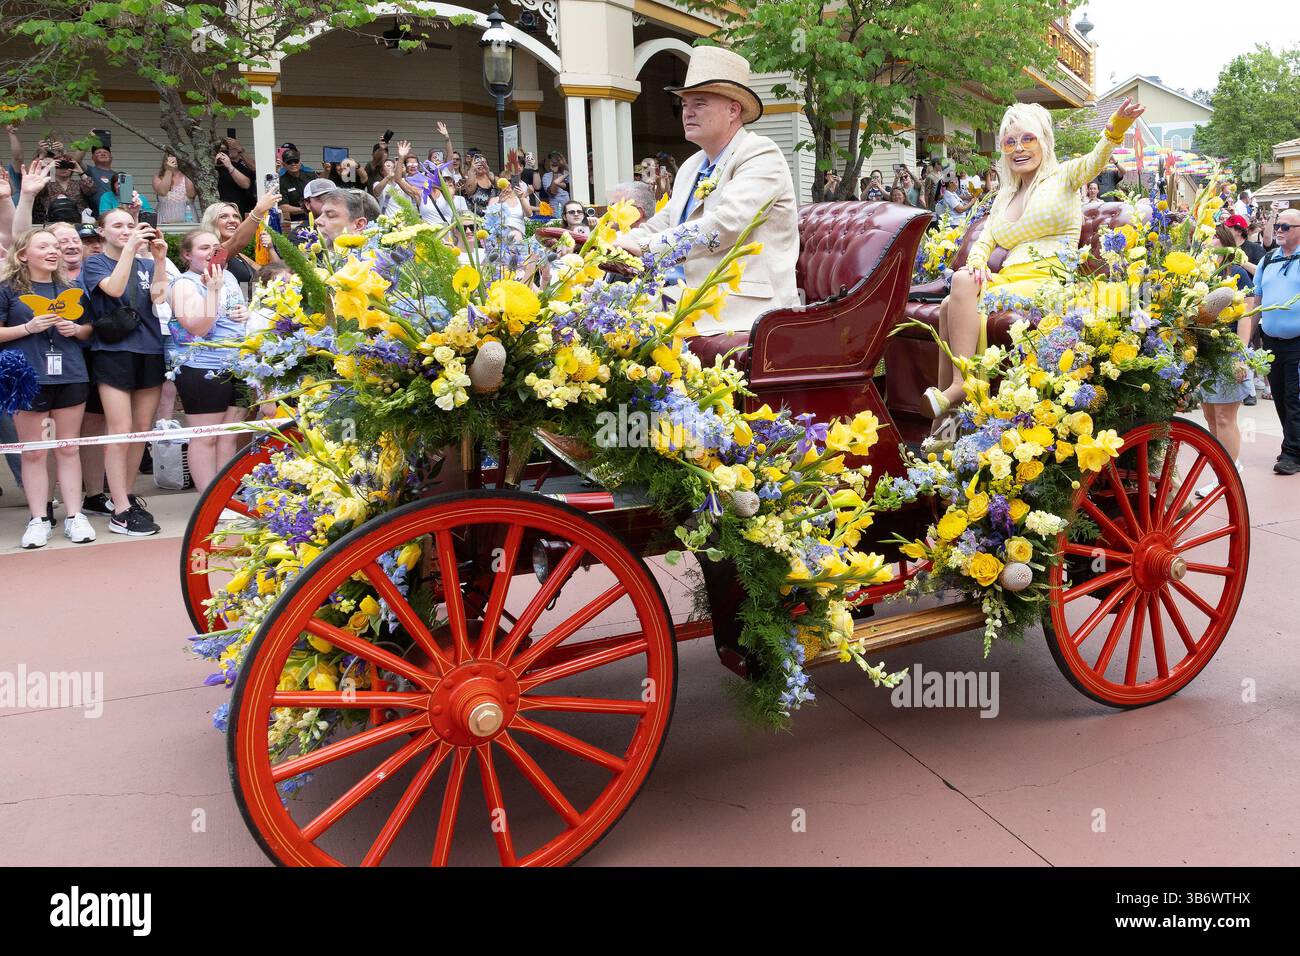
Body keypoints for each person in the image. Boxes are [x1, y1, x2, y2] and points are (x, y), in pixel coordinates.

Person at [922, 98, 1146, 418]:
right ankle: (948, 417)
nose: (1019, 148)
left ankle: (960, 387)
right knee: (951, 300)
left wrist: (1117, 127)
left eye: (1028, 139)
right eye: (1010, 142)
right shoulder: (1005, 195)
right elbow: (984, 242)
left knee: (955, 293)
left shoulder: (1064, 176)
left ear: (1044, 141)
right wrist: (975, 265)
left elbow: (1097, 160)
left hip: (1048, 281)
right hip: (1011, 278)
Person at [619, 47, 799, 335]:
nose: (687, 111)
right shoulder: (692, 165)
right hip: (683, 295)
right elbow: (663, 222)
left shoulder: (760, 154)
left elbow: (725, 225)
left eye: (699, 103)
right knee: (601, 310)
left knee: (625, 322)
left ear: (733, 109)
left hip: (739, 303)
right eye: (685, 103)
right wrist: (617, 244)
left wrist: (646, 249)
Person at [0, 227, 96, 547]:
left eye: (56, 246)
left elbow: (89, 332)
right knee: (34, 452)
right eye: (44, 246)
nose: (53, 251)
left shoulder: (71, 287)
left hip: (70, 373)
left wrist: (75, 330)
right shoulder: (8, 288)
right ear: (24, 254)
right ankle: (39, 518)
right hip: (26, 378)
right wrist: (27, 327)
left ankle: (74, 516)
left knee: (69, 447)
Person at [79, 208, 170, 535]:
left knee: (141, 429)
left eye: (131, 225)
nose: (127, 230)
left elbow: (160, 301)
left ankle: (127, 496)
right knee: (120, 428)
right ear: (102, 232)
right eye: (118, 225)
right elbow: (114, 290)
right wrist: (131, 248)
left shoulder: (146, 264)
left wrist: (159, 260)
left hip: (149, 348)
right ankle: (119, 507)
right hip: (113, 352)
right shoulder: (95, 262)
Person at [169, 230, 250, 491]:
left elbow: (238, 315)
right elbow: (197, 327)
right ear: (187, 255)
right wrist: (212, 292)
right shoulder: (184, 283)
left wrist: (245, 311)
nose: (211, 253)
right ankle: (207, 501)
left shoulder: (229, 277)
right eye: (204, 248)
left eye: (216, 248)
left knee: (229, 437)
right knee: (206, 437)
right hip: (203, 367)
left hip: (239, 364)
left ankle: (225, 495)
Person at [1194, 225, 1254, 496]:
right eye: (1207, 238)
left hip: (1228, 351)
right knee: (1210, 415)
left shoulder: (1237, 273)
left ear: (1227, 241)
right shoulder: (1203, 274)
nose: (1210, 241)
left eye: (1215, 236)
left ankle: (1227, 477)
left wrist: (1240, 355)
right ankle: (1228, 467)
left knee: (1225, 416)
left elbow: (1246, 314)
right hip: (1207, 352)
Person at [1250, 207, 1300, 475]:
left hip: (1298, 343)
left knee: (1295, 397)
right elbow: (1256, 303)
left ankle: (1291, 452)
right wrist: (1247, 342)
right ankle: (1295, 445)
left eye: (1285, 227)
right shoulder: (1268, 261)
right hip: (1271, 342)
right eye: (1277, 226)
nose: (1279, 230)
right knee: (1279, 396)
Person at [200, 189, 281, 300]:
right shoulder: (211, 255)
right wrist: (258, 211)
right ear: (211, 222)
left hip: (250, 311)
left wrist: (270, 248)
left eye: (236, 216)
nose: (232, 220)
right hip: (227, 315)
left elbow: (275, 273)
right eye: (224, 216)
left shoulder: (240, 256)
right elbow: (237, 241)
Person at [214, 137, 257, 215]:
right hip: (219, 210)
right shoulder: (210, 168)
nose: (221, 153)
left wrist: (229, 166)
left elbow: (246, 184)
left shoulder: (238, 165)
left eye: (224, 150)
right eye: (219, 150)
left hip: (240, 209)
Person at [153, 150, 197, 224]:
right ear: (166, 159)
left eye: (177, 156)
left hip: (188, 220)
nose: (175, 158)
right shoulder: (158, 177)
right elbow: (162, 192)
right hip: (164, 220)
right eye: (172, 156)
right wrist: (169, 170)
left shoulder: (188, 175)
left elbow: (191, 194)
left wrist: (187, 169)